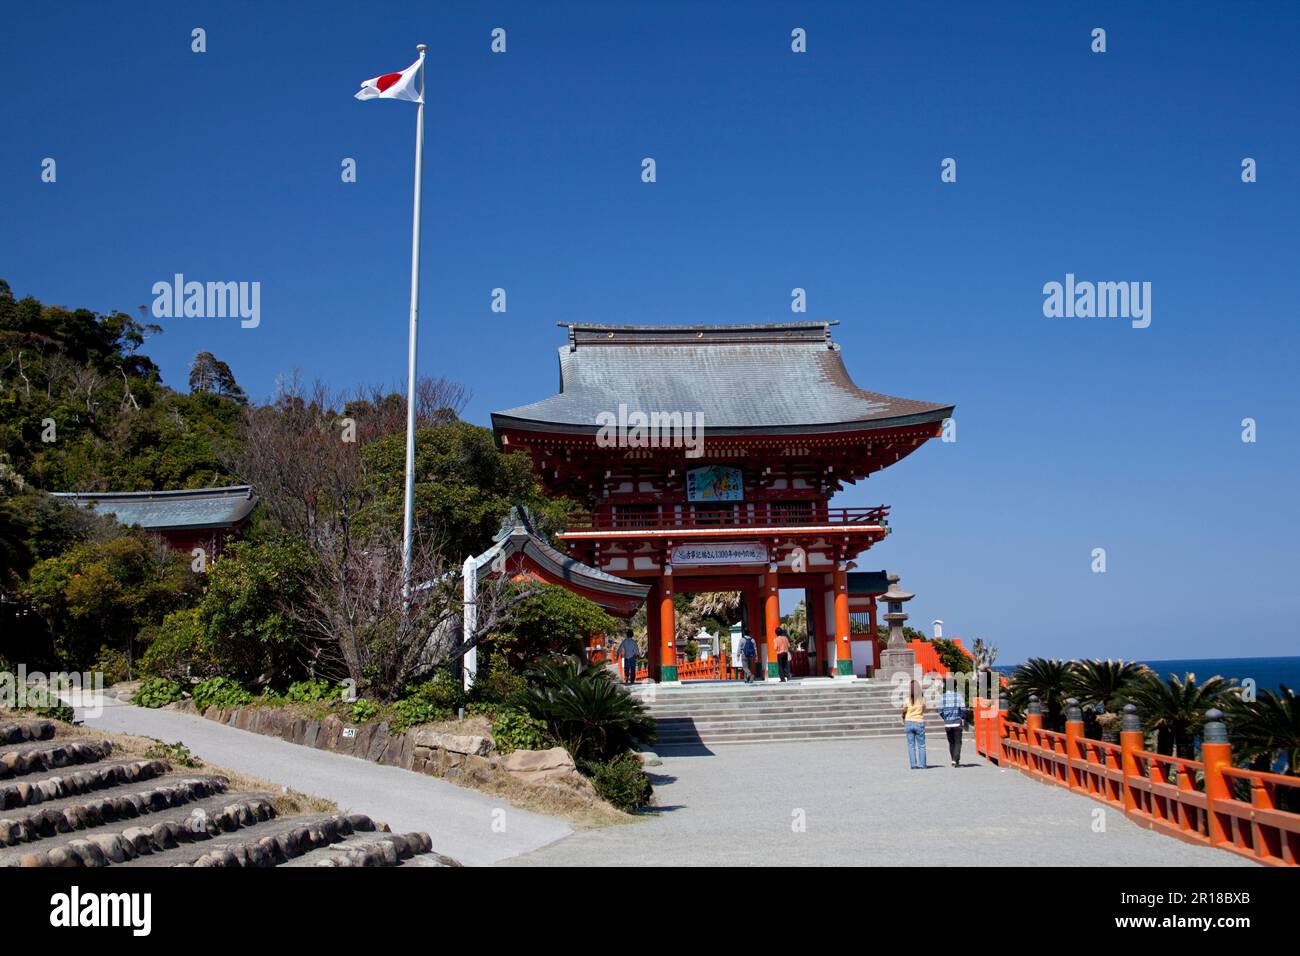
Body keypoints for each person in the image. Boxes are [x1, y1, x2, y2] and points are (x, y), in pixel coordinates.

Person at [938, 680, 965, 767]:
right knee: (958, 742)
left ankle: (954, 759)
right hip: (957, 722)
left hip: (948, 724)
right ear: (955, 686)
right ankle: (955, 759)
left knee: (951, 742)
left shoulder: (943, 697)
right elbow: (963, 709)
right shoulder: (958, 696)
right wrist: (961, 717)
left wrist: (945, 718)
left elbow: (940, 711)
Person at [901, 680, 927, 769]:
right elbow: (924, 710)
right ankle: (922, 764)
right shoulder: (922, 699)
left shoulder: (907, 699)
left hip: (909, 722)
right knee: (921, 745)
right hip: (919, 721)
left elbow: (904, 710)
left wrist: (903, 716)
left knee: (911, 745)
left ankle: (913, 764)